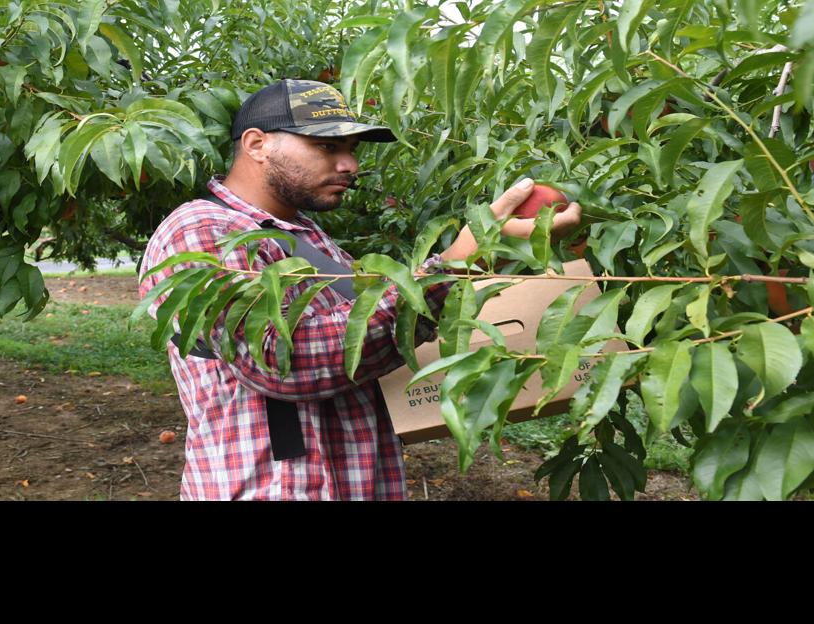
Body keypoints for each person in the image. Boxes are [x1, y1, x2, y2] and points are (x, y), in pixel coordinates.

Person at [139, 78, 582, 500]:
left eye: (350, 149)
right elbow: (279, 362)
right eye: (327, 146)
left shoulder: (307, 235)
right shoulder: (203, 230)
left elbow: (365, 336)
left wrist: (488, 262)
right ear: (257, 144)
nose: (350, 164)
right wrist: (454, 264)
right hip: (278, 487)